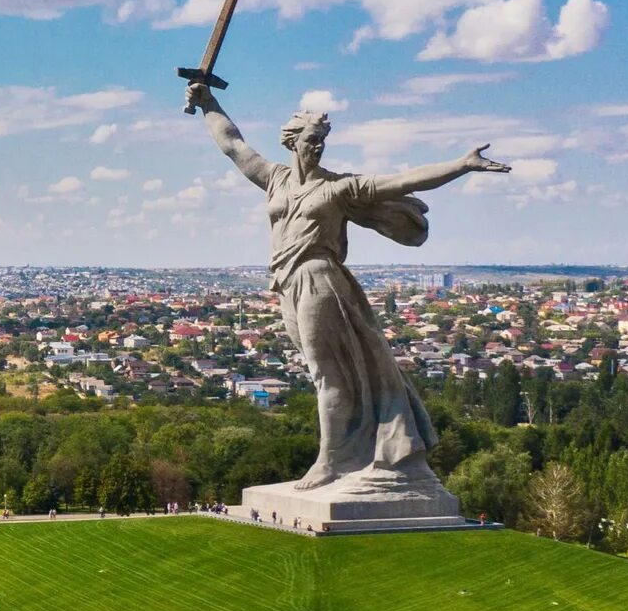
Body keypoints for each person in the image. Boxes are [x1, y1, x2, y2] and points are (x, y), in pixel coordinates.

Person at [184, 81, 507, 489]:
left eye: (321, 141)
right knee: (325, 372)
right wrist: (208, 102)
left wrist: (461, 165)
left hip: (320, 279)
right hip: (286, 283)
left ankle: (330, 462)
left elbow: (404, 181)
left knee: (326, 374)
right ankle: (349, 450)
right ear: (292, 141)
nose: (317, 147)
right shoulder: (275, 179)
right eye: (311, 140)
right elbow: (233, 145)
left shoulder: (340, 188)